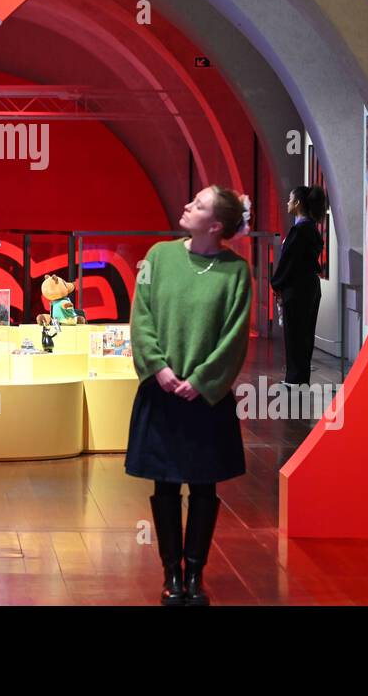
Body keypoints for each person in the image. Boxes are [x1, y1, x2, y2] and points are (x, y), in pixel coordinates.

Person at [126, 185, 253, 606]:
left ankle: (195, 573)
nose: (186, 205)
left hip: (206, 398)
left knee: (203, 486)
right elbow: (140, 314)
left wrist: (200, 381)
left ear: (215, 226)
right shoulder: (159, 257)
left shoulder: (236, 273)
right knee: (165, 485)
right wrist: (158, 368)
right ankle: (171, 575)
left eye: (198, 205)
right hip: (161, 391)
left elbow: (234, 337)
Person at [270, 185, 327, 386]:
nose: (287, 202)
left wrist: (276, 283)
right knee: (305, 334)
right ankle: (300, 378)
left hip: (297, 289)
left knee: (295, 334)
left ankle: (295, 379)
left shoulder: (300, 230)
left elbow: (289, 262)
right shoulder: (310, 228)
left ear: (298, 203)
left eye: (290, 199)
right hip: (309, 287)